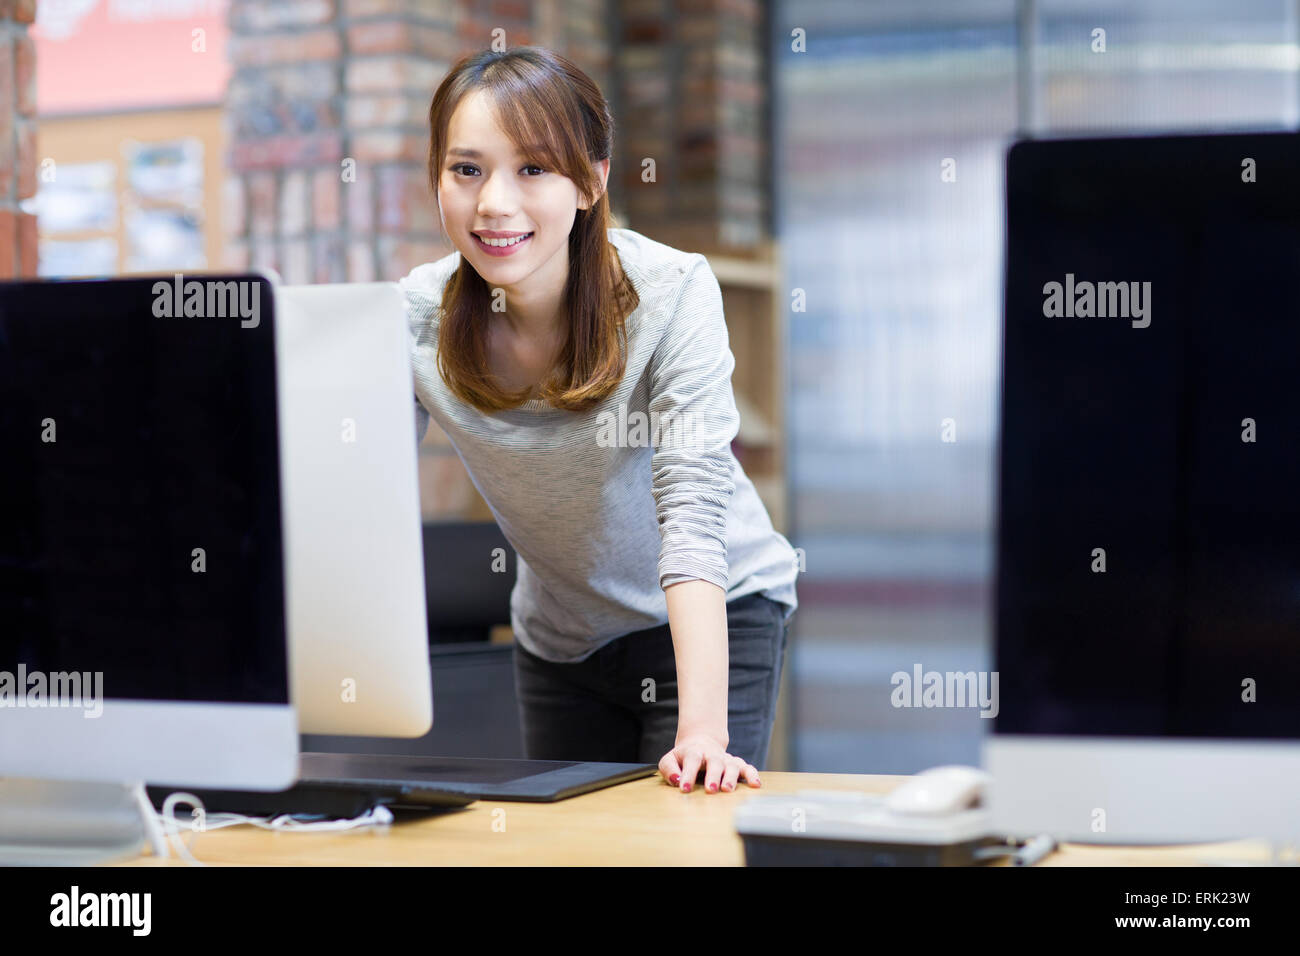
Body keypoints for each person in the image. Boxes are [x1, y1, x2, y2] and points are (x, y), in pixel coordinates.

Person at [401, 45, 798, 796]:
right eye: (467, 169)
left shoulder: (671, 292)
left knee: (685, 835)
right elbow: (360, 501)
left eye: (534, 168)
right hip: (560, 641)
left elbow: (691, 514)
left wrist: (704, 733)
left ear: (591, 180)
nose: (494, 203)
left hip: (712, 617)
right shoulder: (414, 320)